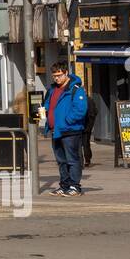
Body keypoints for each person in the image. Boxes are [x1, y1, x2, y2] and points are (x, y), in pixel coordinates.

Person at [41, 62, 88, 196]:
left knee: (72, 159)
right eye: (54, 76)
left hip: (70, 130)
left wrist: (66, 121)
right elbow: (48, 105)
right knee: (61, 161)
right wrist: (44, 113)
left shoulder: (75, 89)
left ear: (66, 73)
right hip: (55, 130)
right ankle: (64, 185)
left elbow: (80, 110)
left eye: (59, 75)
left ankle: (74, 186)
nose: (56, 78)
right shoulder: (51, 90)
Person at [83, 94, 98, 168]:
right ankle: (87, 159)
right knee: (86, 143)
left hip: (82, 125)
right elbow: (95, 112)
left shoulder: (85, 100)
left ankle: (84, 159)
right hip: (88, 125)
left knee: (81, 143)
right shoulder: (89, 100)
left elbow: (94, 112)